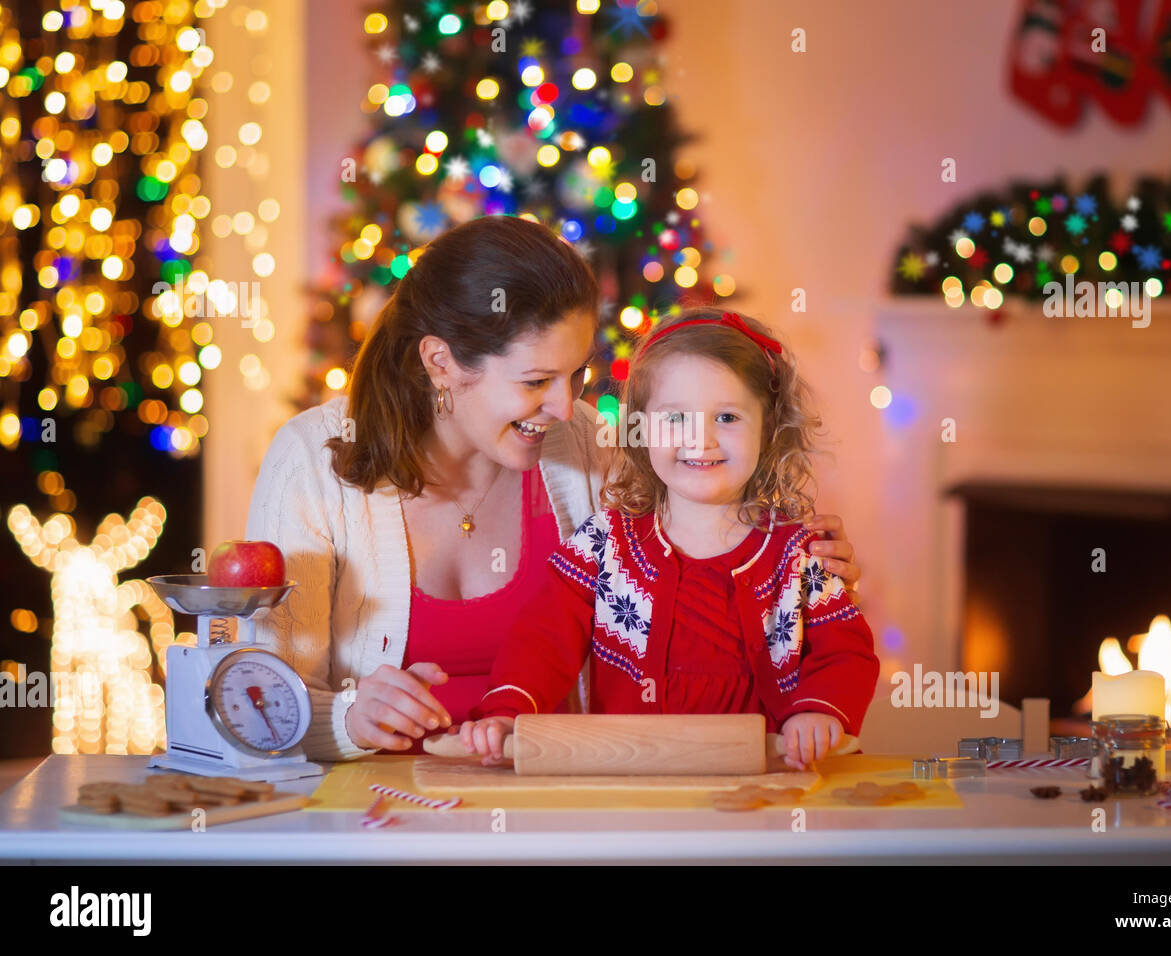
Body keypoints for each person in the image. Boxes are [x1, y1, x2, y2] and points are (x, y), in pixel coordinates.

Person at [243, 215, 865, 761]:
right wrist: (347, 719)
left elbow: (702, 545)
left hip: (561, 804)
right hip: (382, 816)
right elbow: (253, 704)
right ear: (440, 362)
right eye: (537, 380)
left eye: (577, 374)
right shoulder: (310, 462)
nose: (567, 407)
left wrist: (801, 564)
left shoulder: (591, 447)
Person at [458, 308, 879, 770]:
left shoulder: (801, 554)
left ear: (771, 427)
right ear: (640, 428)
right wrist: (507, 710)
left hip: (764, 790)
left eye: (727, 416)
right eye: (675, 417)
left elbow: (844, 651)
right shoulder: (605, 546)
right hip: (631, 791)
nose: (701, 440)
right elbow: (543, 640)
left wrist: (819, 711)